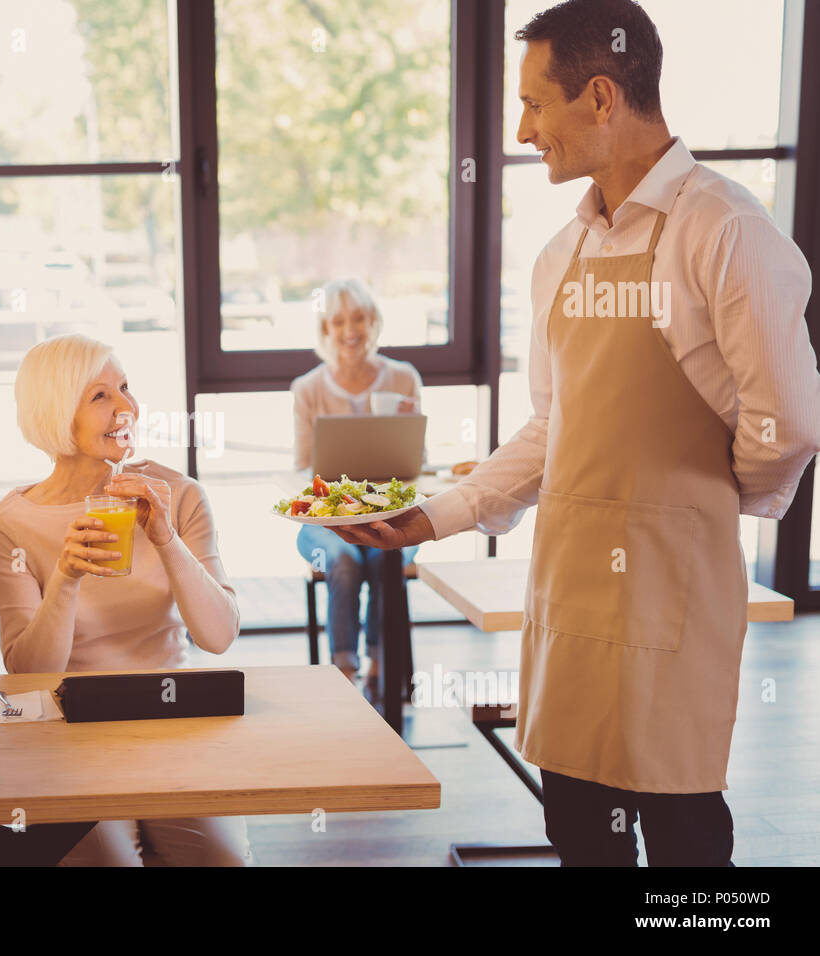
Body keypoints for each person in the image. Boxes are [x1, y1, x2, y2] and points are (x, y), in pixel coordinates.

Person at [333, 0, 820, 866]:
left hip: (672, 586)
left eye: (534, 104)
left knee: (683, 831)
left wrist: (704, 496)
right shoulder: (562, 254)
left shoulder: (726, 229)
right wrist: (434, 517)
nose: (523, 130)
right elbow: (552, 425)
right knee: (579, 829)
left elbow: (788, 422)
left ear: (601, 97)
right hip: (571, 583)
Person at [0, 333, 252, 866]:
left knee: (225, 862)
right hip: (70, 730)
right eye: (99, 396)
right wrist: (65, 576)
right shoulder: (8, 525)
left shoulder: (179, 495)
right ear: (57, 413)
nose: (125, 407)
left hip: (173, 718)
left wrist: (166, 540)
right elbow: (28, 673)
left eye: (125, 388)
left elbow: (218, 637)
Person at [290, 277, 425, 695]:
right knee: (344, 560)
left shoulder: (403, 379)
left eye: (360, 319)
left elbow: (417, 464)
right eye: (339, 321)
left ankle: (382, 662)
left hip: (391, 512)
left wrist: (403, 429)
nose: (351, 331)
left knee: (386, 556)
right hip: (325, 519)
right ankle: (343, 670)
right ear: (325, 331)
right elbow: (301, 471)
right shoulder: (307, 389)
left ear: (374, 322)